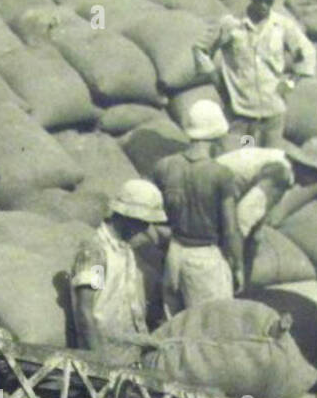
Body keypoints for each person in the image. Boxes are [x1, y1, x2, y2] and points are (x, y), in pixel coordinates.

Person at [193, 0, 316, 149]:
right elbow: (200, 49)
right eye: (260, 0)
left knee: (271, 161)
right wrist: (214, 78)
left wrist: (292, 83)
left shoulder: (282, 26)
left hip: (272, 114)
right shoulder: (231, 24)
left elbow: (307, 52)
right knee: (245, 156)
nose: (264, 6)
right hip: (242, 114)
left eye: (269, 1)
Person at [69, 178, 168, 366]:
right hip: (103, 356)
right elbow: (85, 311)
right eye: (143, 222)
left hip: (126, 354)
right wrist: (97, 360)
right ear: (126, 217)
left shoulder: (125, 250)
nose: (146, 228)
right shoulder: (96, 252)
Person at [155, 99, 242, 309]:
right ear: (218, 135)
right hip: (205, 260)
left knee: (176, 329)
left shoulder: (165, 166)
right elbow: (231, 230)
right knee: (214, 328)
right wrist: (238, 265)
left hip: (174, 255)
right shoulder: (221, 174)